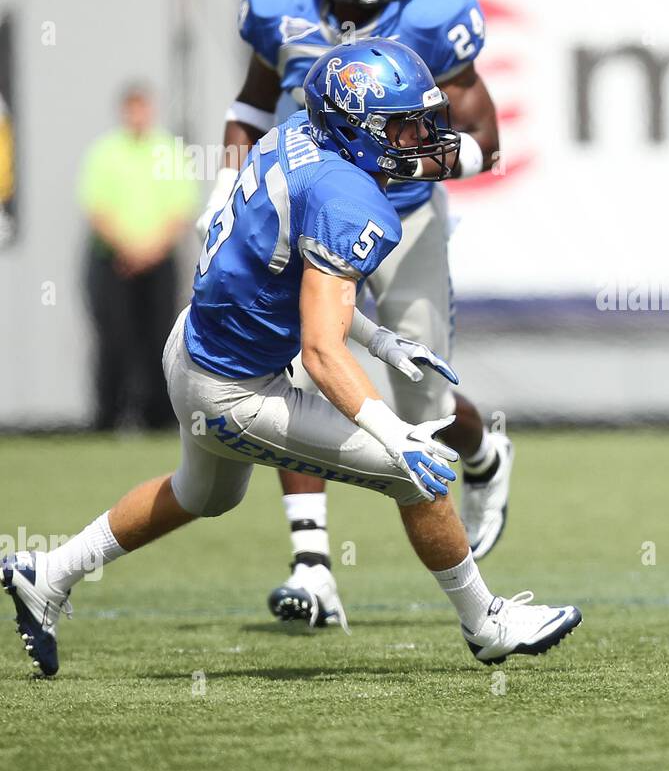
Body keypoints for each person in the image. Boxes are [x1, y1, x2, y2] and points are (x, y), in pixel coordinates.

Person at [3, 39, 581, 678]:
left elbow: (294, 284)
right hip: (233, 389)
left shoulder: (299, 135)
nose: (421, 136)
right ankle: (486, 622)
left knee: (200, 493)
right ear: (357, 128)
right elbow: (319, 347)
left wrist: (383, 340)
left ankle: (47, 573)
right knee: (417, 471)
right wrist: (396, 434)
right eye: (401, 123)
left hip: (194, 344)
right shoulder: (348, 196)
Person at [197, 0, 511, 632]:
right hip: (310, 212)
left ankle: (486, 453)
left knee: (424, 407)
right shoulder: (282, 5)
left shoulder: (435, 17)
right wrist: (224, 189)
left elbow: (487, 143)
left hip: (401, 220)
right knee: (300, 369)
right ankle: (312, 565)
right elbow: (249, 105)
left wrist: (408, 166)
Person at [79, 84, 196, 431]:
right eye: (132, 109)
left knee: (160, 338)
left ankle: (159, 418)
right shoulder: (105, 152)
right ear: (123, 112)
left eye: (143, 109)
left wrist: (151, 250)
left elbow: (182, 207)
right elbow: (96, 208)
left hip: (159, 262)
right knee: (115, 338)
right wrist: (129, 249)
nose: (138, 116)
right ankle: (108, 418)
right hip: (114, 262)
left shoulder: (167, 150)